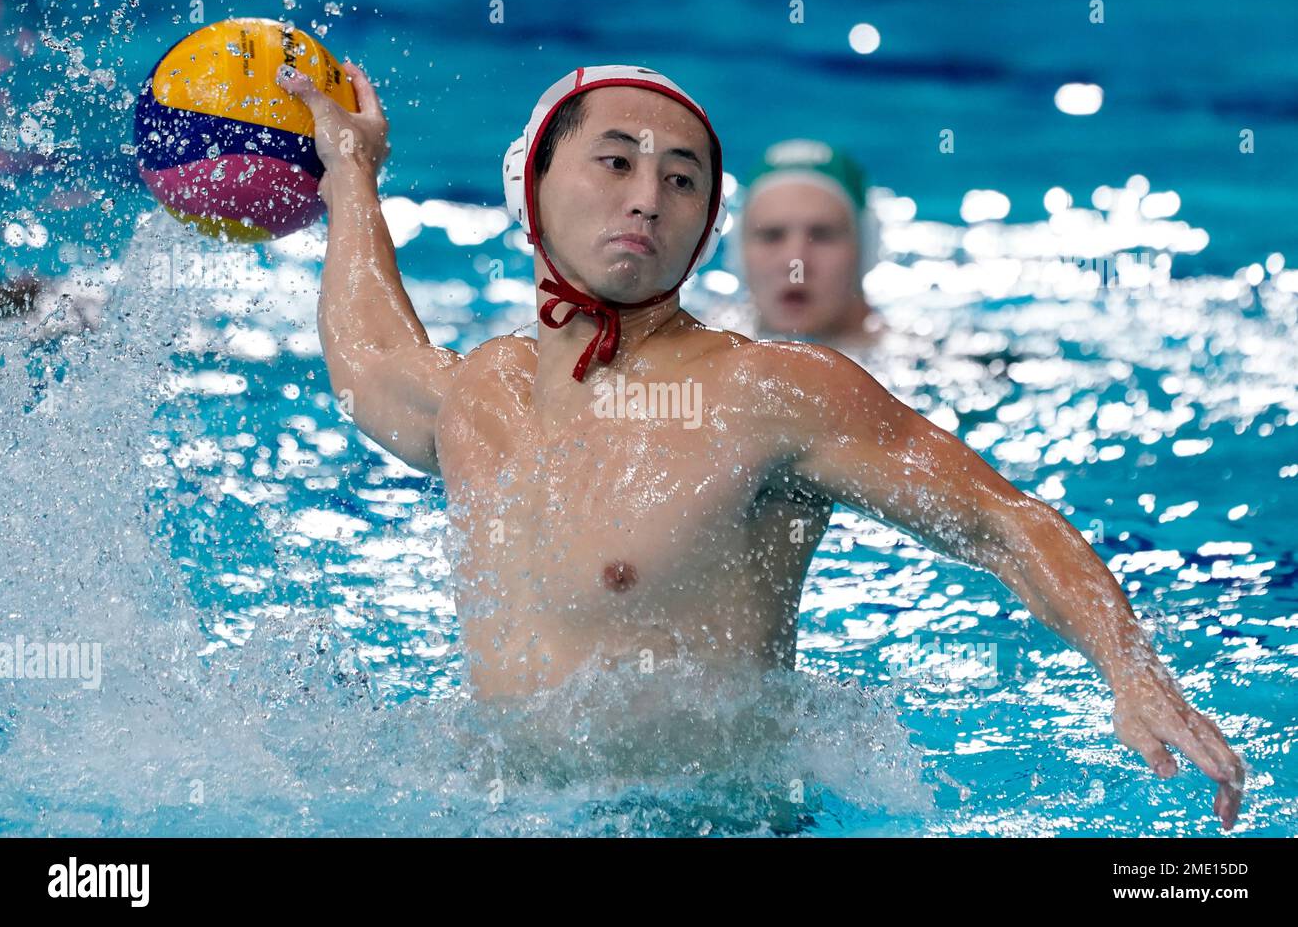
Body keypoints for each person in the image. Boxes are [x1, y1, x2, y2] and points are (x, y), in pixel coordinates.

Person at [275, 61, 1245, 829]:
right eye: (615, 162)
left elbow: (999, 520)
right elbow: (371, 358)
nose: (648, 196)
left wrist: (1129, 665)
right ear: (529, 186)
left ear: (703, 226)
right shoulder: (484, 390)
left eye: (681, 178)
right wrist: (351, 173)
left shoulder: (770, 390)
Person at [737, 139, 885, 353]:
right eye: (772, 236)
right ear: (738, 253)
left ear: (867, 251)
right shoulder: (699, 351)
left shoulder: (922, 359)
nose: (795, 261)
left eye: (822, 235)